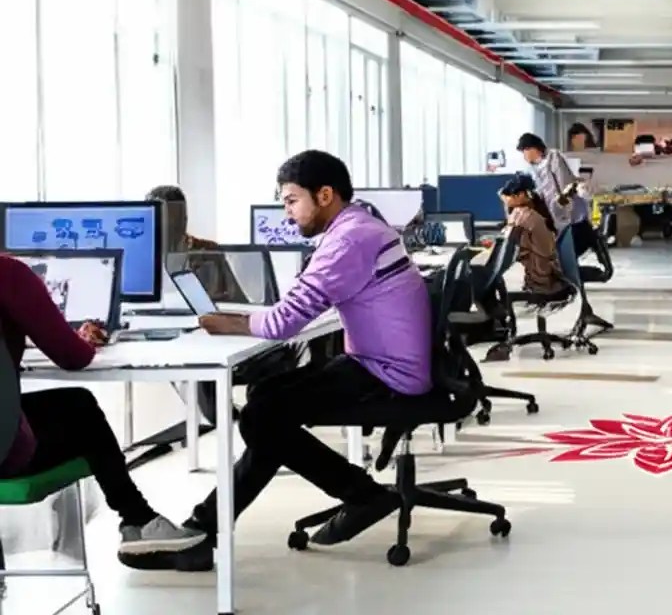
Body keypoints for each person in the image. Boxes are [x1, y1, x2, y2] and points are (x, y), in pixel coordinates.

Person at [166, 150, 432, 570]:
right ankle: (207, 528)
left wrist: (224, 322)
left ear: (324, 194)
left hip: (386, 371)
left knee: (264, 414)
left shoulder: (347, 239)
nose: (287, 214)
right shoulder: (361, 226)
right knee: (267, 399)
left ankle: (362, 496)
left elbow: (283, 322)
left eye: (291, 200)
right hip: (384, 360)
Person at [0, 256, 206, 565]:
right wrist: (83, 339)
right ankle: (138, 520)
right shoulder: (9, 274)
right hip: (4, 453)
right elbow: (71, 356)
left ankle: (139, 520)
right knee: (79, 407)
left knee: (66, 405)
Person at [516, 132, 594, 258]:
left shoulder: (553, 158)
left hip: (570, 215)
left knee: (568, 254)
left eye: (524, 151)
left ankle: (573, 276)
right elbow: (542, 191)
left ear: (533, 148)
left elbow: (565, 186)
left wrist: (560, 208)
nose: (524, 156)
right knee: (560, 255)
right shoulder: (534, 168)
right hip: (557, 216)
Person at [500, 175, 569, 296]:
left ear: (520, 195)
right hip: (545, 273)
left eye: (507, 197)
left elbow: (506, 242)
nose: (504, 200)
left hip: (541, 278)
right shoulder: (532, 212)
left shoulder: (525, 216)